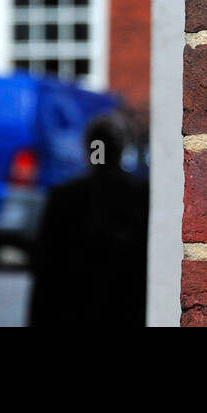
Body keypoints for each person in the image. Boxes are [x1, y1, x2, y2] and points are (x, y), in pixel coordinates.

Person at [28, 115, 147, 326]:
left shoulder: (64, 197)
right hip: (122, 312)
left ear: (87, 150)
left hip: (72, 311)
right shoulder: (140, 196)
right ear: (121, 150)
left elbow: (45, 271)